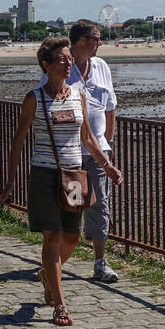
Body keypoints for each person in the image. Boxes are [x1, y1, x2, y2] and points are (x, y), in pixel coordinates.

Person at [1, 37, 122, 326]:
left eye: (69, 59)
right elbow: (18, 141)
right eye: (62, 60)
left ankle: (47, 274)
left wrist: (107, 165)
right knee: (52, 237)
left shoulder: (78, 96)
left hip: (74, 175)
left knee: (73, 238)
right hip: (45, 174)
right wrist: (9, 181)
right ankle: (61, 304)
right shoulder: (34, 98)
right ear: (46, 64)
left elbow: (88, 138)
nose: (68, 64)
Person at [66, 19, 121, 282]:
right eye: (97, 38)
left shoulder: (101, 67)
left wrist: (107, 144)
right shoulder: (62, 66)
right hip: (72, 154)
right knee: (73, 205)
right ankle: (60, 257)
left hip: (99, 153)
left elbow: (110, 107)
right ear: (82, 42)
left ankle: (100, 262)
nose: (101, 43)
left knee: (100, 204)